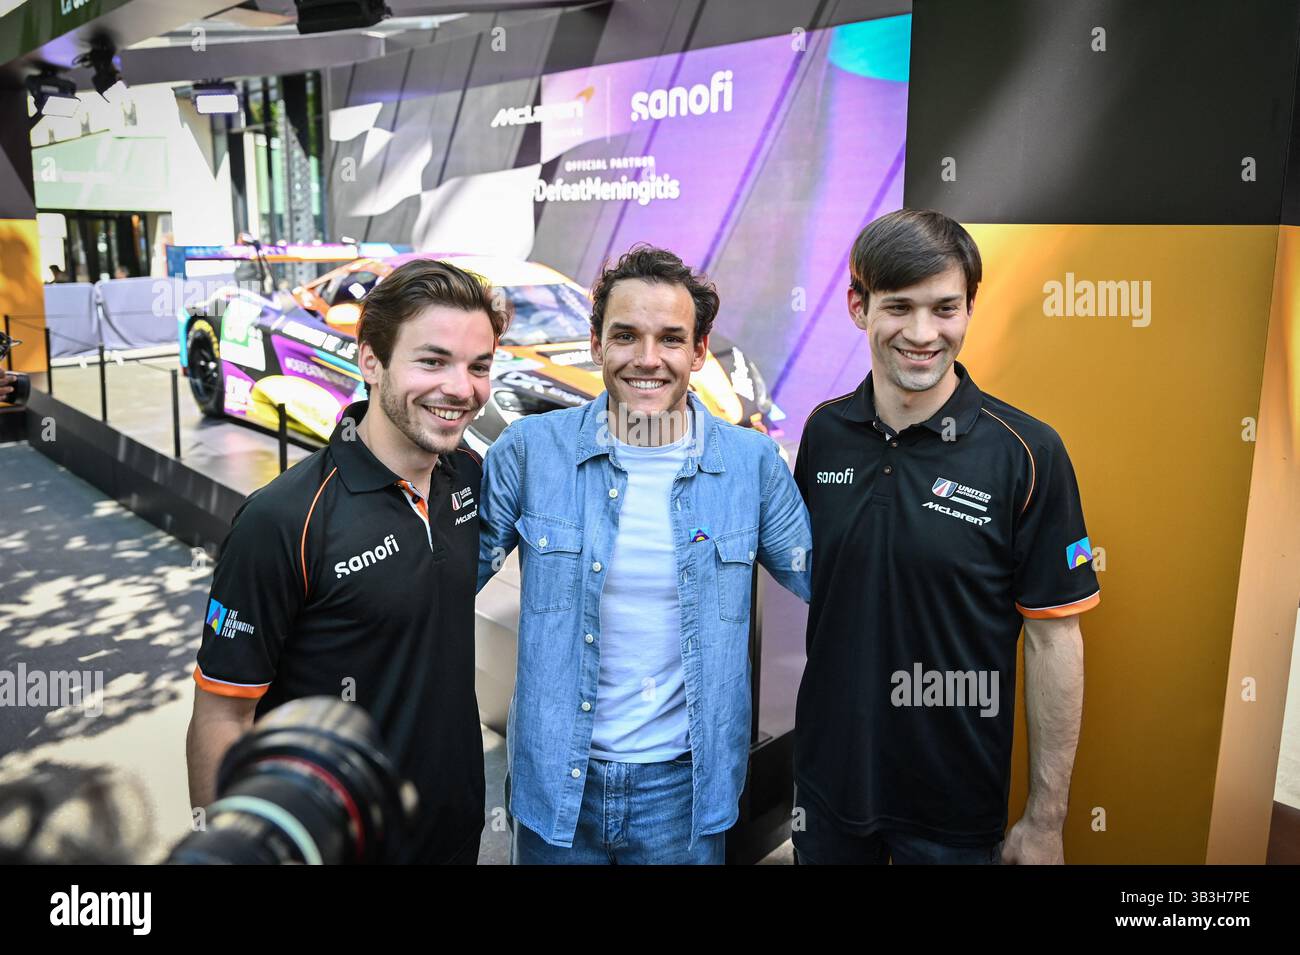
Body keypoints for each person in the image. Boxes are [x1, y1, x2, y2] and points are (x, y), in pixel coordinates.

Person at [477, 245, 811, 864]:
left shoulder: (750, 465)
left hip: (685, 797)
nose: (648, 359)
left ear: (699, 351)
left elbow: (833, 583)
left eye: (671, 339)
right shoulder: (529, 452)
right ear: (597, 343)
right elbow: (441, 581)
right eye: (626, 335)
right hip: (557, 787)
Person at [793, 209, 1099, 865]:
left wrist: (1046, 819)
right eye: (899, 306)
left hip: (952, 819)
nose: (923, 333)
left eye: (945, 308)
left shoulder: (1027, 454)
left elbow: (1055, 640)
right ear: (857, 305)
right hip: (824, 795)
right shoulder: (823, 434)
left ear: (969, 309)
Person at [185, 258, 507, 864]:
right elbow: (224, 714)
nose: (462, 388)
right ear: (370, 361)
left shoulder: (469, 476)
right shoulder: (280, 519)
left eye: (478, 366)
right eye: (433, 360)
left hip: (455, 832)